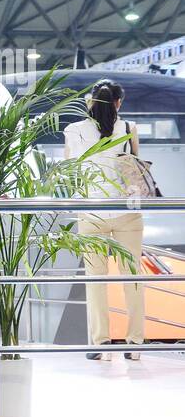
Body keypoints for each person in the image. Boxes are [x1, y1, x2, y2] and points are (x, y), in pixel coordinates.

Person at [63, 80, 144, 362]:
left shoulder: (73, 131)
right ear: (119, 103)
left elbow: (70, 170)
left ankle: (100, 344)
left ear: (91, 102)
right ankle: (135, 345)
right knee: (133, 279)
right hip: (127, 212)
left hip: (91, 212)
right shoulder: (128, 128)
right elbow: (135, 170)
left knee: (95, 280)